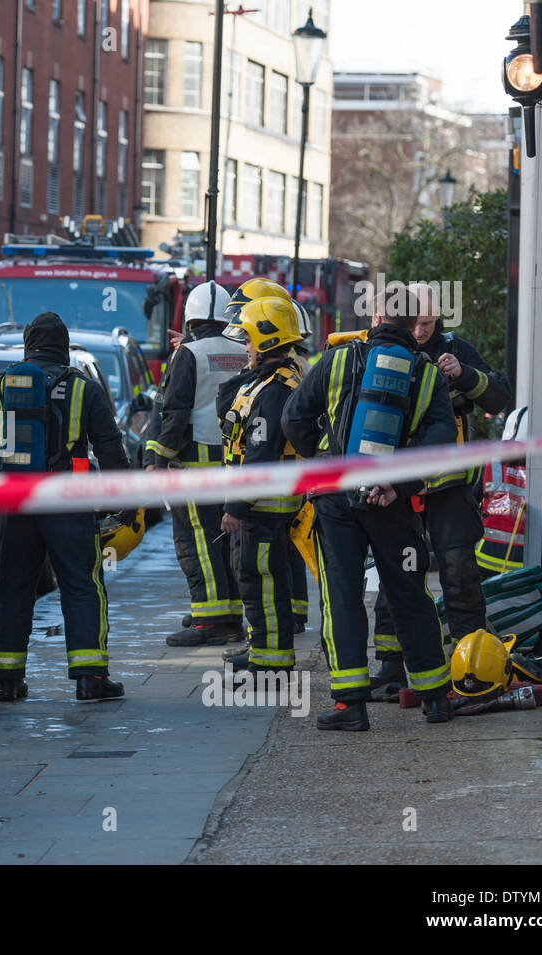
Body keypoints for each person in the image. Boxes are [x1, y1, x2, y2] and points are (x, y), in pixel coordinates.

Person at [282, 285, 459, 731]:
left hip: (336, 500)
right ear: (416, 327)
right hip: (394, 505)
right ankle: (436, 699)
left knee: (342, 596)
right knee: (410, 594)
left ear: (376, 318)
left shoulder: (337, 359)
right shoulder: (427, 373)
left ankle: (350, 707)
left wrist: (326, 463)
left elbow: (293, 418)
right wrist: (399, 485)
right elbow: (440, 445)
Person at [369, 283, 514, 698]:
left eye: (428, 324)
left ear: (439, 321)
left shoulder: (456, 348)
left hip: (449, 486)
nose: (419, 332)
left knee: (459, 572)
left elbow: (501, 395)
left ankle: (468, 658)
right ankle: (392, 666)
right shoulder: (381, 349)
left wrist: (465, 375)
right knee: (395, 573)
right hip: (399, 486)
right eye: (413, 323)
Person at [0, 311, 130, 703]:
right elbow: (110, 447)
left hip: (15, 502)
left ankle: (8, 680)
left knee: (12, 588)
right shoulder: (83, 387)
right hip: (68, 502)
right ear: (64, 347)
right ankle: (90, 678)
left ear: (27, 345)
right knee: (82, 585)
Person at [142, 281, 248, 647]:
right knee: (225, 541)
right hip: (235, 465)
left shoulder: (188, 354)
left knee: (197, 543)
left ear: (190, 317)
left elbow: (173, 411)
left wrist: (158, 458)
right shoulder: (244, 349)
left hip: (194, 467)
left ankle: (210, 620)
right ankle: (231, 615)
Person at [217, 298, 307, 672]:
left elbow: (260, 452)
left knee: (262, 584)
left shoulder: (274, 391)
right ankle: (263, 654)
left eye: (250, 340)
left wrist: (235, 506)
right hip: (264, 502)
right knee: (259, 580)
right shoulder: (269, 381)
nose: (247, 348)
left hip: (264, 505)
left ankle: (272, 663)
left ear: (267, 341)